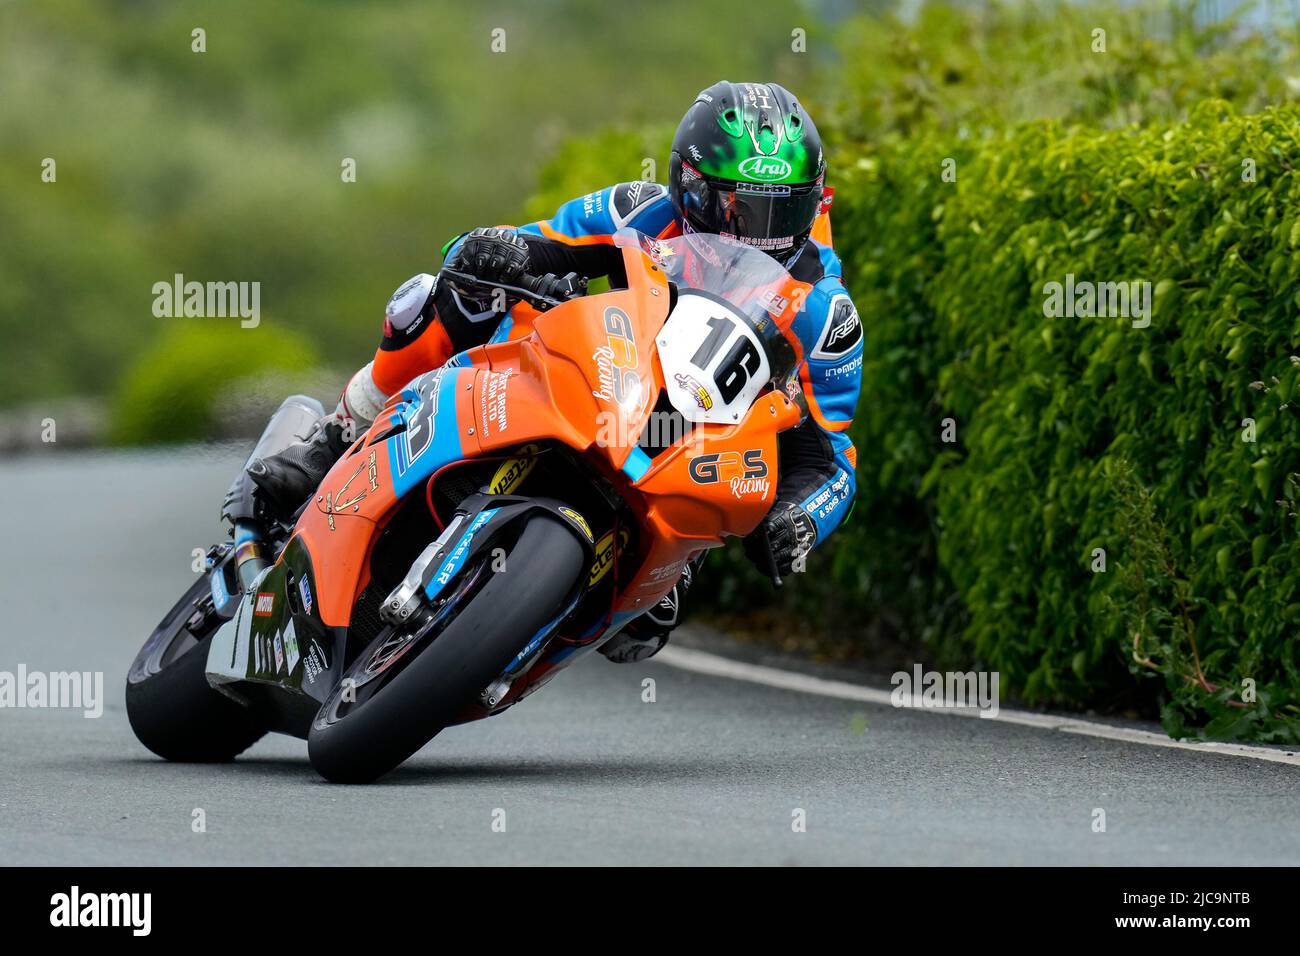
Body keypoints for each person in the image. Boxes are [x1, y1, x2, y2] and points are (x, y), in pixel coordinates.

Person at [247, 81, 863, 663]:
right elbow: (528, 242)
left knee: (644, 629)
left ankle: (582, 604)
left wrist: (801, 518)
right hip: (585, 376)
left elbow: (832, 459)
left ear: (813, 201)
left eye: (778, 213)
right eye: (731, 206)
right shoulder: (639, 210)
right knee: (440, 297)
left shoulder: (825, 310)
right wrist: (499, 252)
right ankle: (336, 435)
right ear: (689, 185)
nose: (750, 233)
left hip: (679, 449)